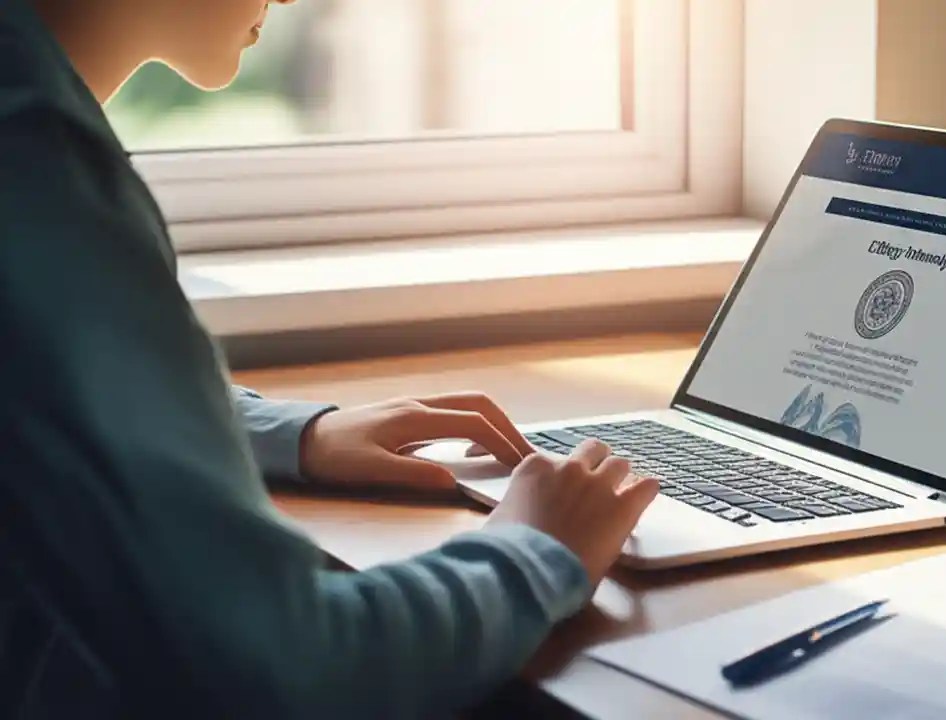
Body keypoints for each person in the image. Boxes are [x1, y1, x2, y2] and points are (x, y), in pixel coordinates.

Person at [0, 0, 659, 717]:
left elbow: (37, 379)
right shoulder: (33, 157)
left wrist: (294, 434)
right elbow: (285, 669)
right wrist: (537, 553)